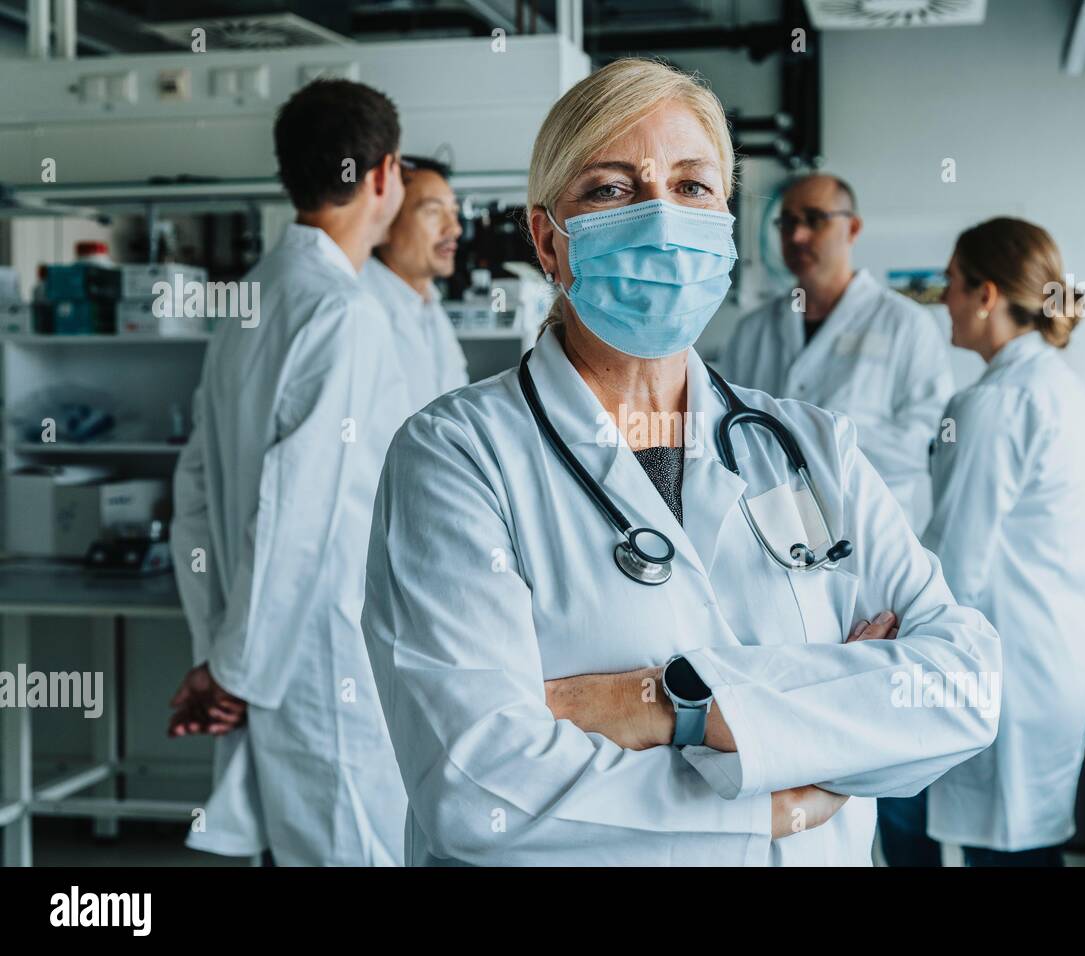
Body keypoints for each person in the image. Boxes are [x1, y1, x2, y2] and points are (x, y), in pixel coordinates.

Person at [361, 58, 1001, 867]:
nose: (661, 220)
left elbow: (961, 688)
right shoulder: (457, 457)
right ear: (545, 242)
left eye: (693, 187)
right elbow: (481, 788)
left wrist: (670, 705)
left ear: (725, 221)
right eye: (610, 189)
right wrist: (795, 769)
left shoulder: (811, 445)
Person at [167, 78, 411, 866]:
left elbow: (195, 491)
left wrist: (218, 654)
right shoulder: (342, 313)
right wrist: (236, 670)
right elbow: (299, 513)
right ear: (383, 174)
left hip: (257, 645)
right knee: (352, 848)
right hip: (317, 658)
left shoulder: (249, 301)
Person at [876, 217, 1085, 867]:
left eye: (951, 284)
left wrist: (879, 635)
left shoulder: (994, 402)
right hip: (1051, 657)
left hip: (1010, 662)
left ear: (985, 295)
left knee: (914, 807)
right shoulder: (1058, 385)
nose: (941, 300)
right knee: (1017, 843)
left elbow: (957, 562)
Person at [722, 173, 953, 529]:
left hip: (867, 526)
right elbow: (726, 428)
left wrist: (819, 436)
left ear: (853, 228)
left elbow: (927, 443)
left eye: (814, 220)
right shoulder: (753, 329)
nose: (797, 236)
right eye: (788, 223)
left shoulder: (906, 323)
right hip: (772, 528)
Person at [360, 155, 469, 407]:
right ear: (386, 220)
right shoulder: (359, 306)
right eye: (433, 212)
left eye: (453, 213)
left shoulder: (429, 304)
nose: (454, 229)